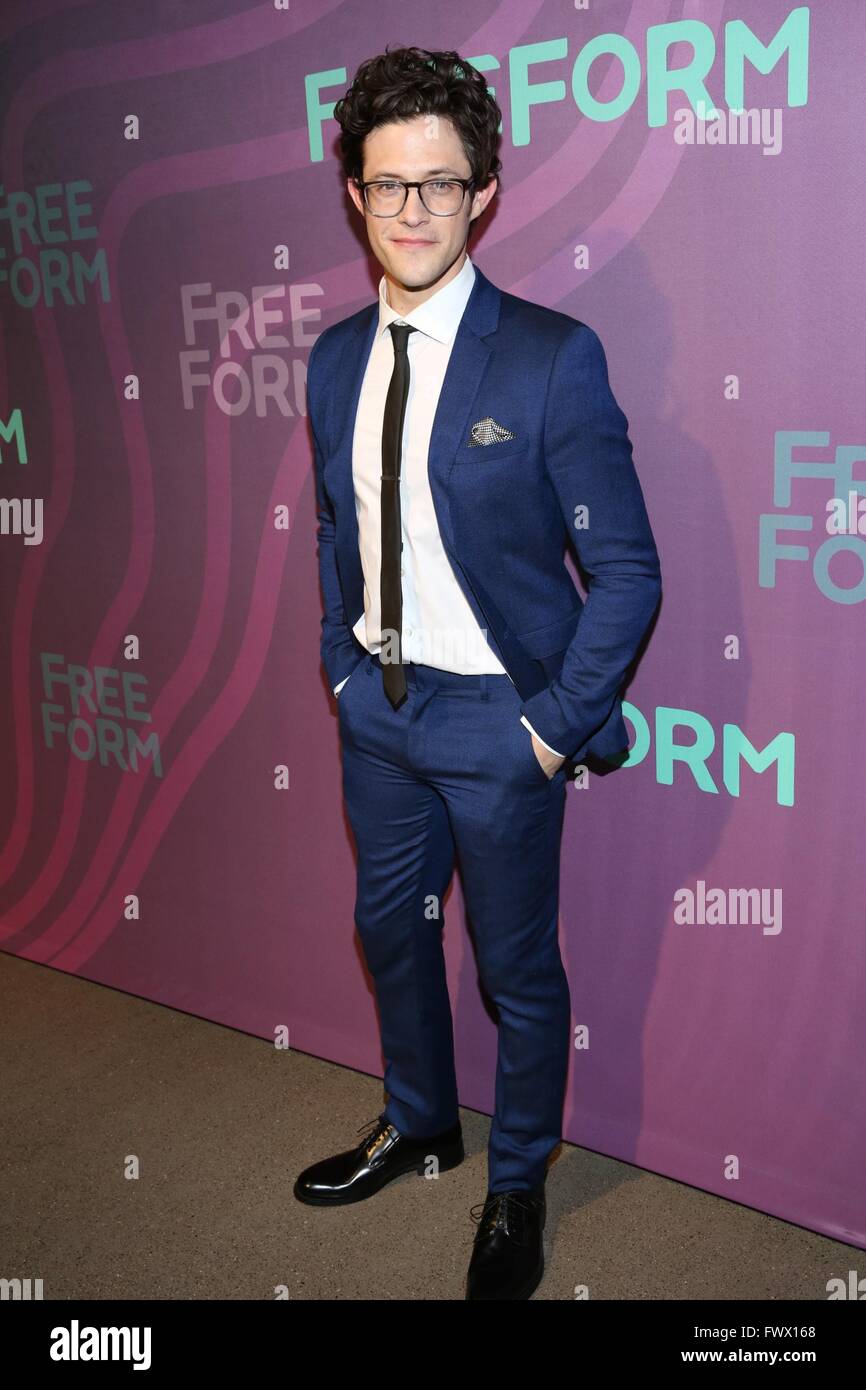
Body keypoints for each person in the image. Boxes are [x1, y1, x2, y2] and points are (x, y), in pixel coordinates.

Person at [295, 45, 662, 1300]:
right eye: (387, 184)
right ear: (352, 190)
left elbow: (627, 573)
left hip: (502, 724)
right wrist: (341, 673)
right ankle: (419, 1123)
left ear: (484, 193)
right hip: (378, 710)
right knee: (386, 933)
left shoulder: (551, 356)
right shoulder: (333, 357)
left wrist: (550, 733)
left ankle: (515, 1184)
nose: (411, 211)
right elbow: (343, 530)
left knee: (515, 974)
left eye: (438, 185)